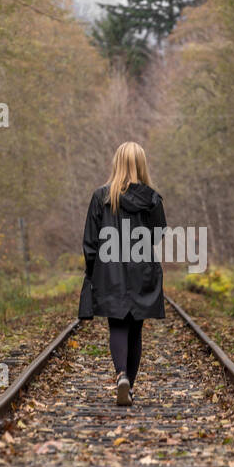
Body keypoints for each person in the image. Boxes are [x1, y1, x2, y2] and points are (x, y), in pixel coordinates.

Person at [79, 141, 166, 406]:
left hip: (110, 270)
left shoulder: (100, 197)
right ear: (141, 164)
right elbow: (158, 234)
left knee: (117, 324)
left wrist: (93, 272)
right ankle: (129, 386)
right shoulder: (152, 199)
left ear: (117, 163)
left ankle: (120, 376)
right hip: (142, 270)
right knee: (135, 329)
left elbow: (90, 242)